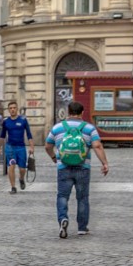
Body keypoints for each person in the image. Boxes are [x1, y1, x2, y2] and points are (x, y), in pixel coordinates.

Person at [44, 100, 108, 239]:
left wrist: (55, 158)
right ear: (82, 113)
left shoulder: (57, 128)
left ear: (68, 112)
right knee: (82, 197)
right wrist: (104, 163)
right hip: (83, 168)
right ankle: (82, 228)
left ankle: (63, 220)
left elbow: (47, 146)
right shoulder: (89, 128)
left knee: (62, 196)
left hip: (63, 168)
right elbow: (97, 146)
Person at [0, 101, 33, 194]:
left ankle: (21, 178)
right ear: (8, 110)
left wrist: (31, 147)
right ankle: (13, 187)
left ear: (17, 109)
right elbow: (2, 135)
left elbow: (29, 134)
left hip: (21, 147)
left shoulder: (23, 120)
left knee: (22, 169)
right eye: (10, 108)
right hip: (10, 148)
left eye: (14, 108)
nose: (12, 109)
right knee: (11, 166)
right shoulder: (6, 122)